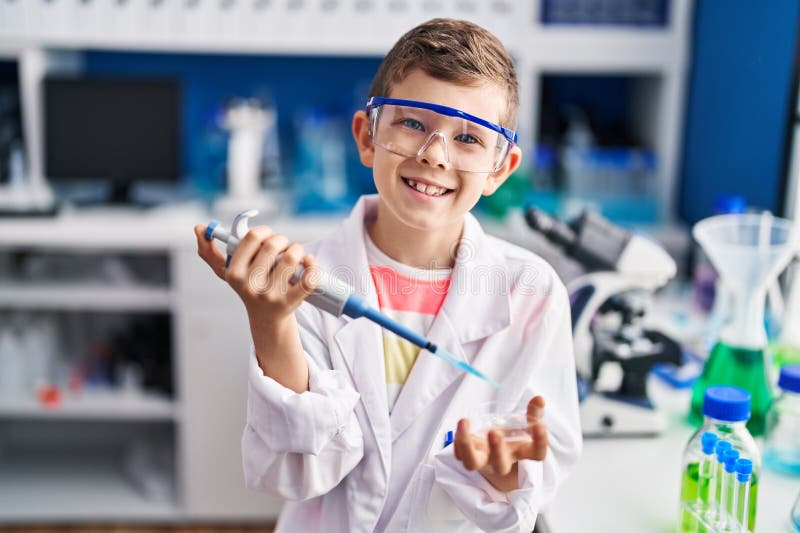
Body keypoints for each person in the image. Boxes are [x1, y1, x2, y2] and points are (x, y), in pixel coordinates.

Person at [194, 18, 581, 533]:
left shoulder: (530, 291)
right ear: (367, 137)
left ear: (500, 169)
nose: (434, 155)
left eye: (468, 138)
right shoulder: (307, 280)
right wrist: (271, 324)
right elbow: (295, 474)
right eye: (413, 124)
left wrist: (504, 472)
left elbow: (544, 460)